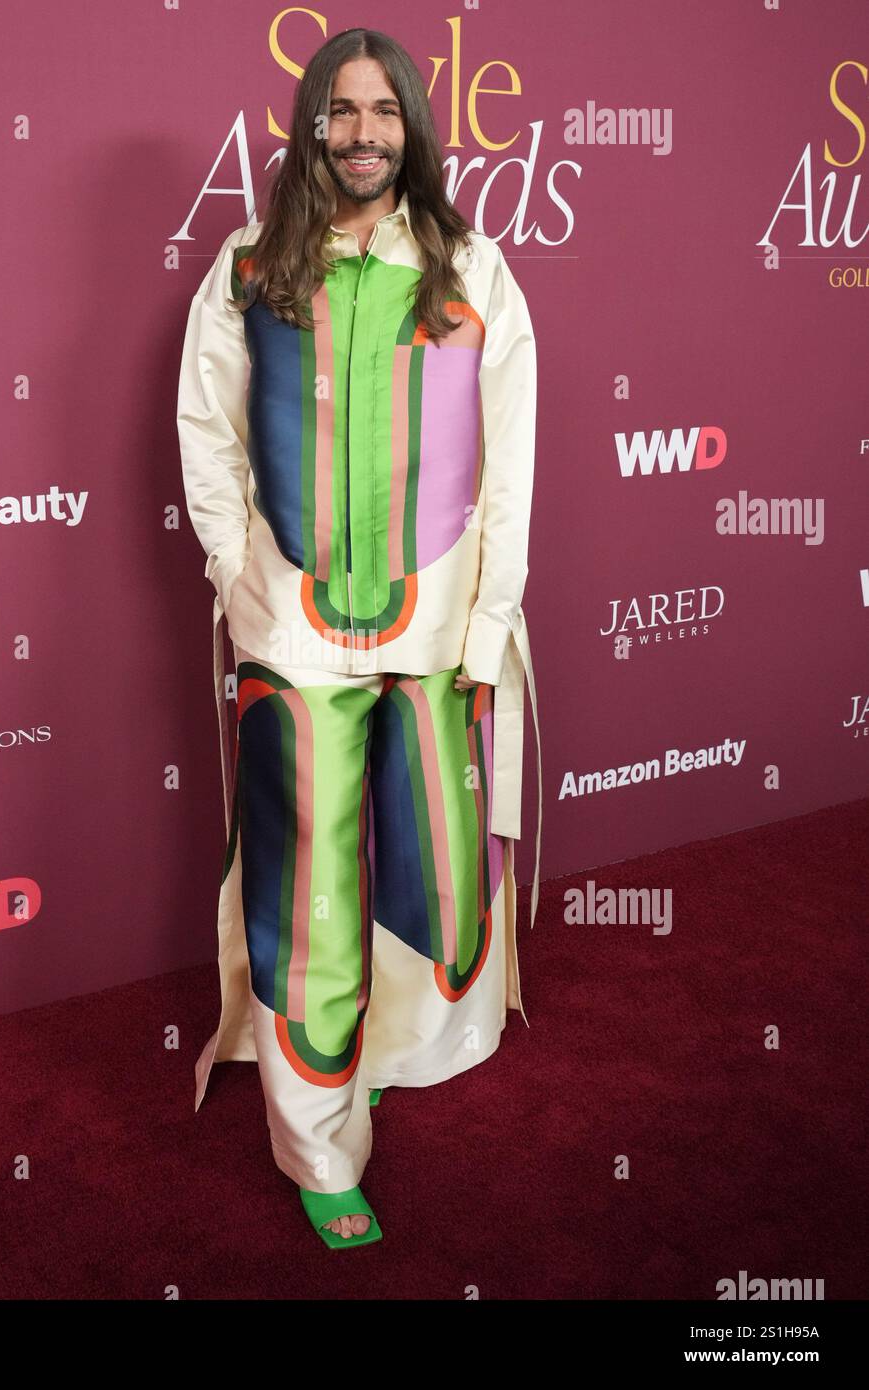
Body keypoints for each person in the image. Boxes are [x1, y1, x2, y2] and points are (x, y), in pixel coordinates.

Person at [176, 26, 541, 1249]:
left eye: (383, 110)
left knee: (433, 879)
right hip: (294, 634)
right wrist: (241, 581)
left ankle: (384, 1052)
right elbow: (209, 437)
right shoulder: (246, 266)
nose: (363, 132)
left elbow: (509, 463)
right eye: (341, 111)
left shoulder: (473, 270)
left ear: (412, 127)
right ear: (309, 127)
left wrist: (485, 625)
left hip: (435, 628)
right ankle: (318, 1141)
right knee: (308, 896)